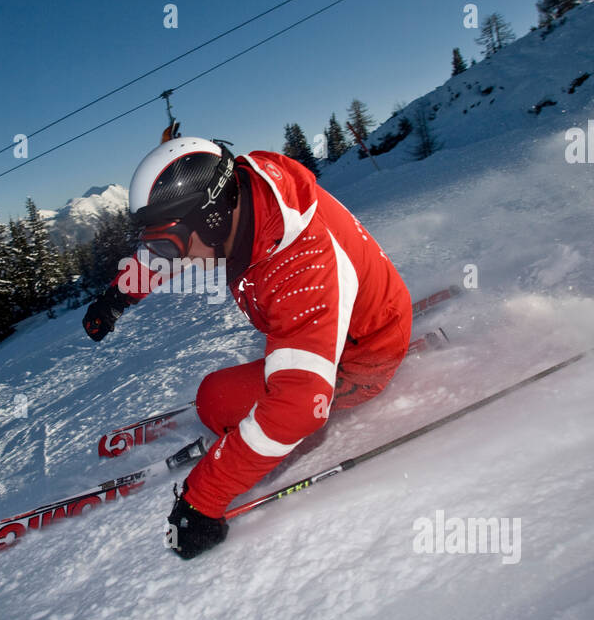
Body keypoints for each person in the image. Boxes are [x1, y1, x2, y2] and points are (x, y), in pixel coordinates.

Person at [84, 135, 413, 558]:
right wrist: (118, 297)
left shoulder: (300, 263)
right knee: (221, 396)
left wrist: (203, 499)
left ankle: (323, 371)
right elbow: (175, 243)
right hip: (359, 318)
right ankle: (309, 355)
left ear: (214, 220)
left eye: (168, 245)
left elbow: (299, 408)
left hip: (365, 357)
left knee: (216, 401)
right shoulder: (248, 194)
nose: (168, 257)